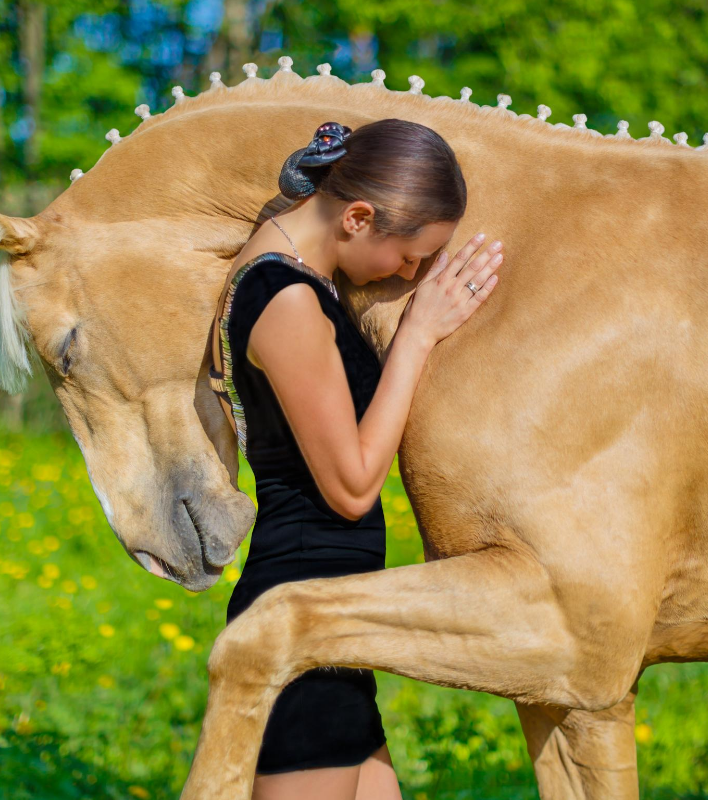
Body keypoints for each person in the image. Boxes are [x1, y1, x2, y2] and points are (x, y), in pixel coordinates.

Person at [208, 117, 504, 800]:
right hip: (301, 625)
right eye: (407, 256)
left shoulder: (295, 274)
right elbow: (350, 487)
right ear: (359, 216)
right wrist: (417, 335)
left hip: (331, 623)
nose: (410, 273)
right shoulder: (286, 301)